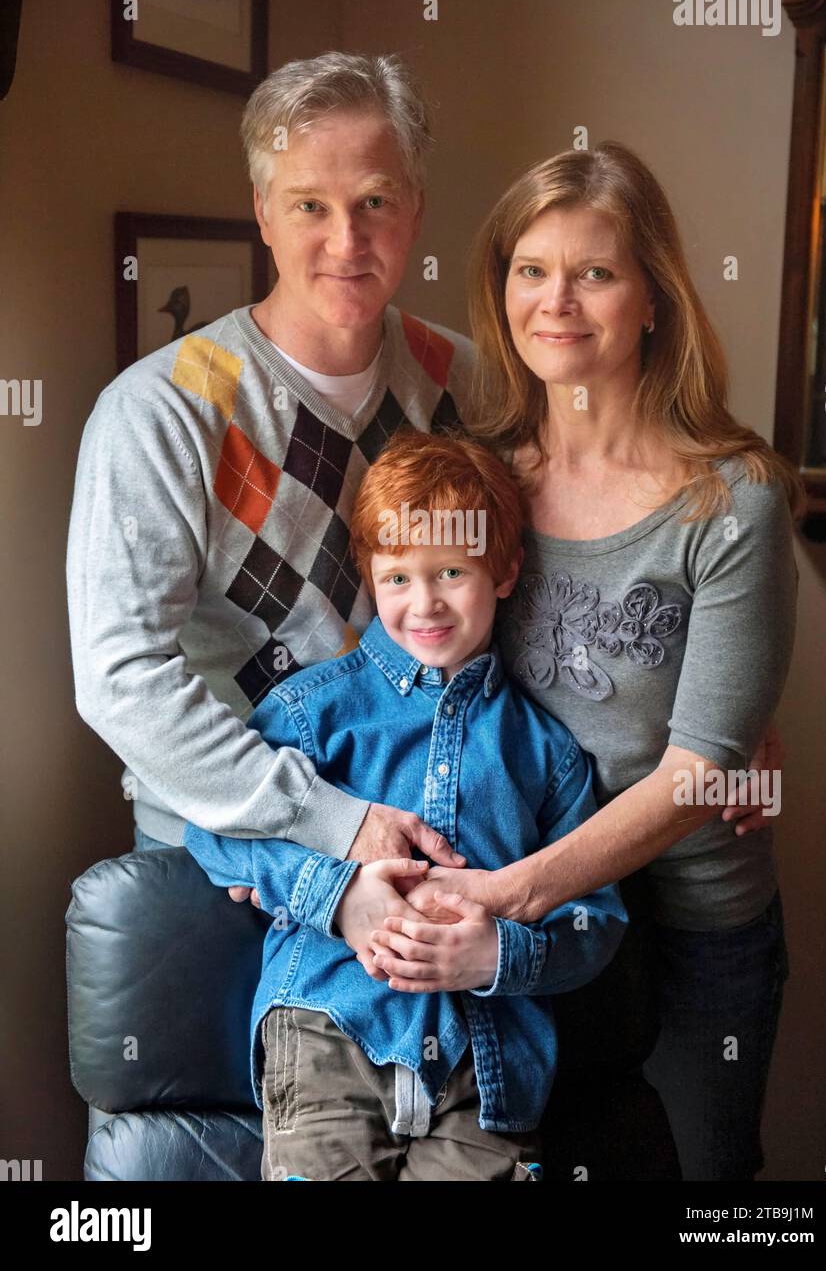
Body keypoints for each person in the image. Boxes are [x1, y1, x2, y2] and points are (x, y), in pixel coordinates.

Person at [362, 143, 800, 1182]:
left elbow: (700, 772)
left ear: (655, 299)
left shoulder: (734, 498)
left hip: (688, 924)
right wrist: (291, 831)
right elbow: (401, 661)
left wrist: (514, 896)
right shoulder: (480, 469)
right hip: (514, 908)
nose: (556, 300)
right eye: (530, 269)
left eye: (595, 272)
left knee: (705, 1182)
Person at [66, 51, 478, 888]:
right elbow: (121, 681)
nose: (347, 241)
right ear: (262, 210)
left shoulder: (465, 379)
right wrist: (331, 820)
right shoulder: (164, 411)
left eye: (374, 202)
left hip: (434, 832)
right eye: (309, 206)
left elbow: (541, 578)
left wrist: (702, 717)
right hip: (230, 857)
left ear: (417, 209)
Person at [183, 431, 628, 1181]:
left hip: (489, 1073)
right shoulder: (311, 713)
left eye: (452, 572)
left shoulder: (546, 753)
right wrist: (329, 891)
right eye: (397, 579)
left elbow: (599, 920)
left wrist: (500, 954)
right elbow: (214, 826)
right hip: (329, 1030)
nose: (423, 604)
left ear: (506, 570)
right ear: (370, 577)